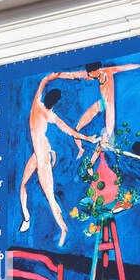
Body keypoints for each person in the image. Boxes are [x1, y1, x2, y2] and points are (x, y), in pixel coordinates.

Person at [19, 75, 97, 247]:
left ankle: (63, 229)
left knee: (50, 197)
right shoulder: (41, 109)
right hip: (38, 154)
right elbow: (43, 81)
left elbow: (71, 132)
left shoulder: (42, 110)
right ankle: (26, 218)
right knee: (23, 185)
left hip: (44, 157)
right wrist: (55, 75)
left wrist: (88, 139)